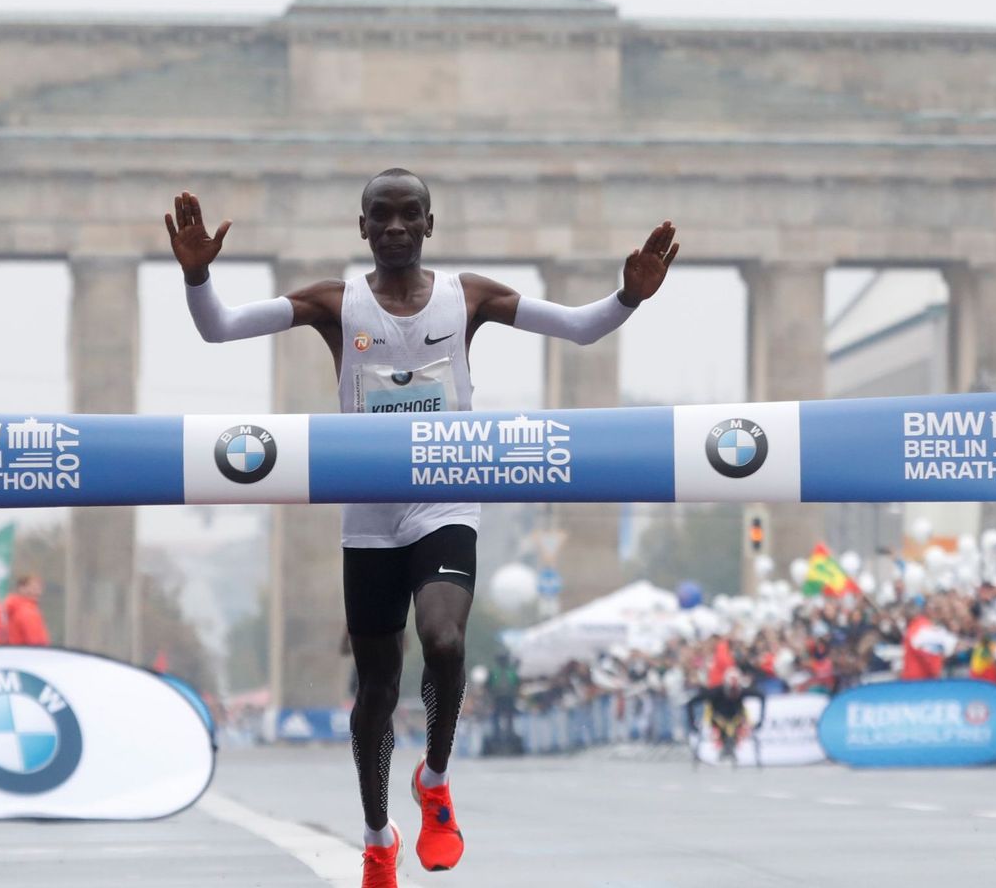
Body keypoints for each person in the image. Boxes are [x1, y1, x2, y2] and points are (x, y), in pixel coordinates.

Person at [167, 170, 676, 884]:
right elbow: (218, 328)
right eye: (383, 216)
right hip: (370, 512)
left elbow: (579, 327)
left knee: (444, 640)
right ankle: (378, 837)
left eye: (411, 215)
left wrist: (628, 295)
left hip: (446, 499)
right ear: (363, 227)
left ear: (431, 225)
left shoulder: (467, 297)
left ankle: (434, 780)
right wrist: (197, 277)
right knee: (375, 689)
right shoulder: (333, 304)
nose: (397, 227)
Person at [5, 574, 51, 646]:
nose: (38, 592)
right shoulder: (27, 612)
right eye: (34, 588)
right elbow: (35, 643)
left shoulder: (16, 609)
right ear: (22, 589)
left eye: (39, 588)